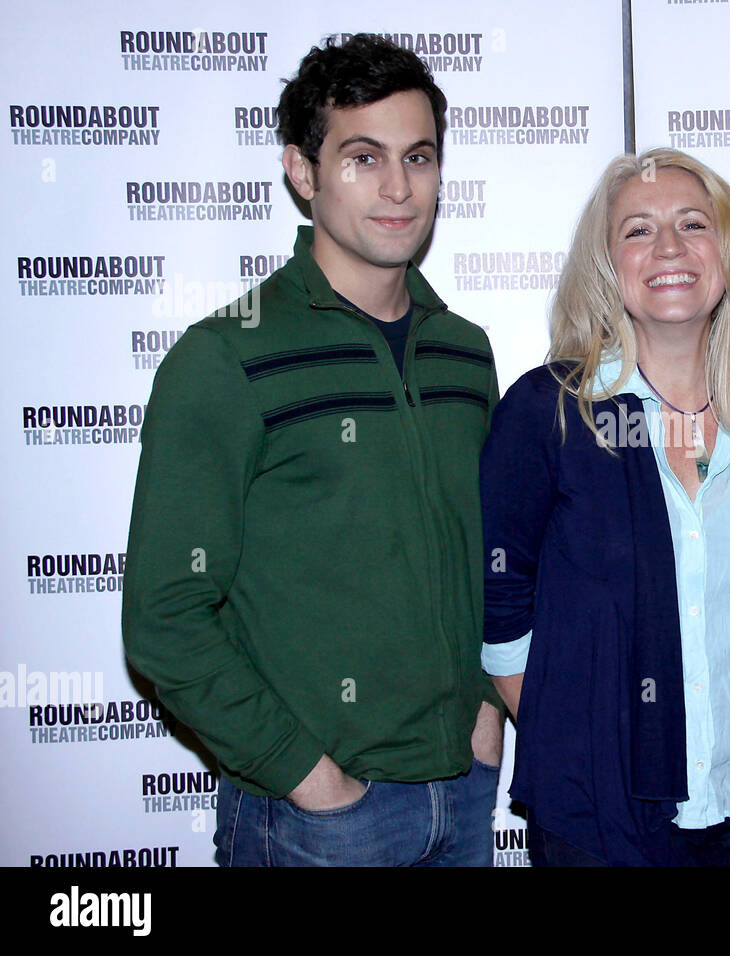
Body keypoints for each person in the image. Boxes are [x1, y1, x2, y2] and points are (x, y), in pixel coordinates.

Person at [122, 34, 503, 867]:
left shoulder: (464, 353)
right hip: (317, 822)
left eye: (419, 156)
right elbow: (165, 617)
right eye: (363, 158)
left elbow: (487, 560)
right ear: (303, 172)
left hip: (466, 797)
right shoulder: (225, 355)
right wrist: (308, 778)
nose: (399, 187)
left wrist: (483, 716)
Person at [481, 148, 730, 866]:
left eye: (693, 224)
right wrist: (572, 738)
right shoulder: (552, 413)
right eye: (637, 230)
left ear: (725, 253)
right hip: (601, 819)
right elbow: (500, 607)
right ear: (605, 263)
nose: (669, 247)